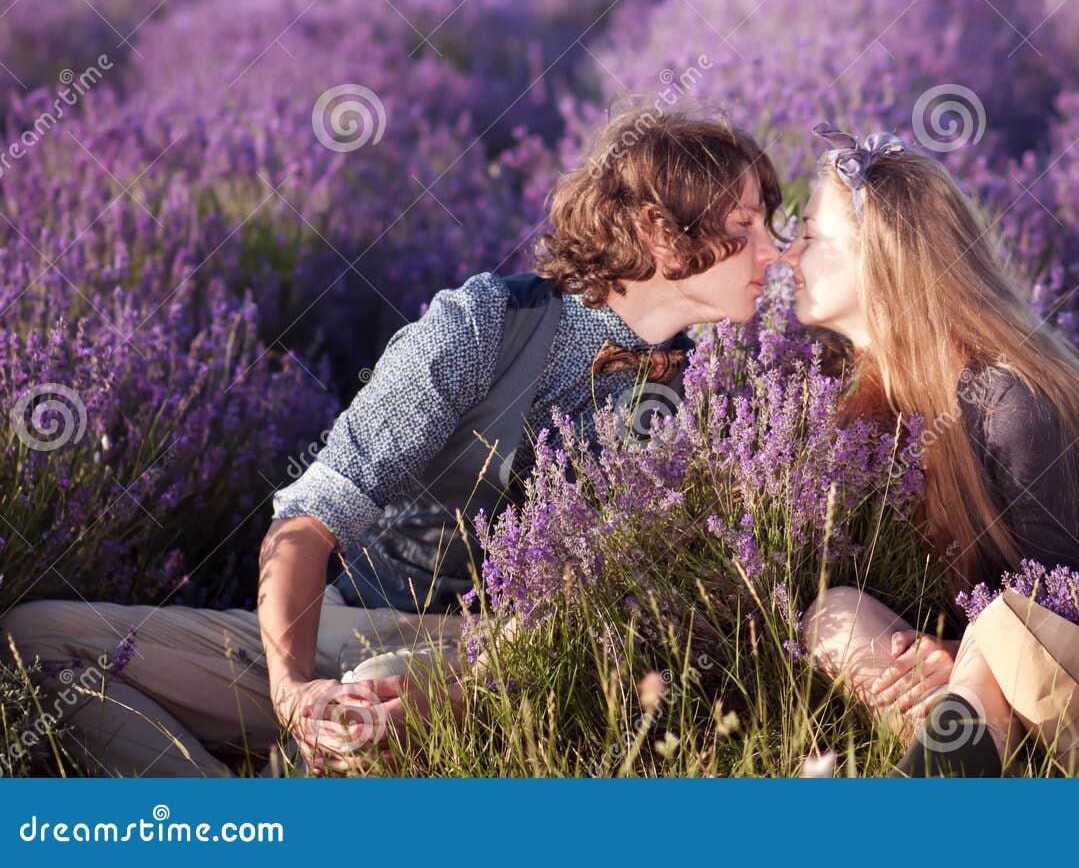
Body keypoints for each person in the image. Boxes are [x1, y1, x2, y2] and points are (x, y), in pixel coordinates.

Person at [0, 113, 783, 777]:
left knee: (379, 695)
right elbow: (310, 518)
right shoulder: (482, 324)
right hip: (351, 621)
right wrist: (293, 691)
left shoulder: (743, 389)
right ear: (657, 230)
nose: (772, 252)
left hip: (510, 664)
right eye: (747, 227)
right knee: (33, 640)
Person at [784, 123, 1079, 777]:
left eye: (812, 235)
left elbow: (1068, 607)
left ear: (881, 261)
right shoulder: (890, 397)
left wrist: (959, 644)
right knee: (834, 614)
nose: (789, 251)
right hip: (1004, 685)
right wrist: (942, 653)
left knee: (1000, 632)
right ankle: (957, 758)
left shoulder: (1007, 400)